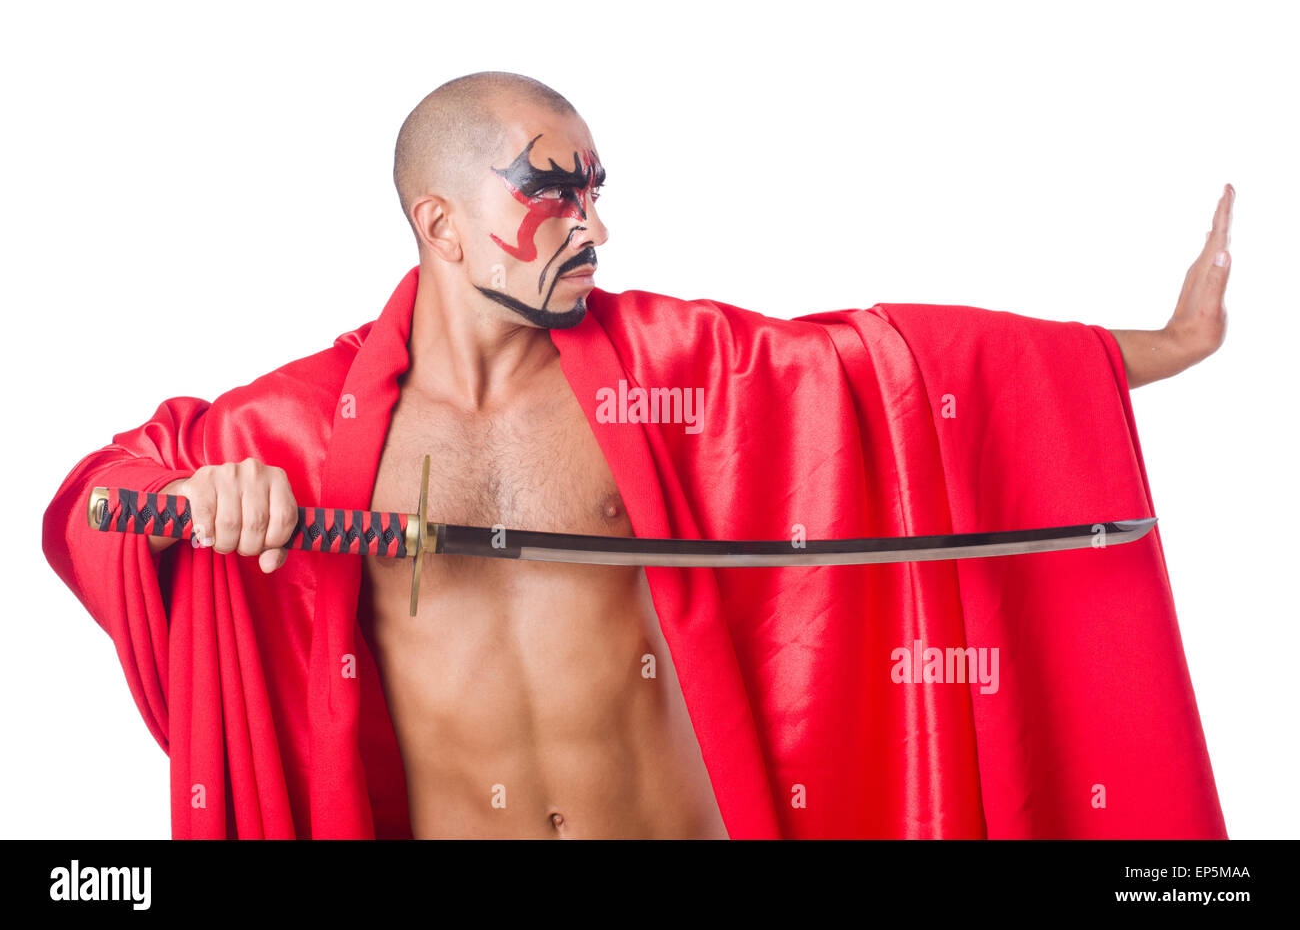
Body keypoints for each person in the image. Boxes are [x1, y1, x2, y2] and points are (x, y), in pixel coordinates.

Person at [42, 71, 1233, 839]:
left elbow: (902, 371)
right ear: (442, 227)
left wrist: (1160, 346)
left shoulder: (679, 375)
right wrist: (196, 496)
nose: (594, 228)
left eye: (594, 195)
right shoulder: (294, 433)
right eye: (552, 197)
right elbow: (91, 503)